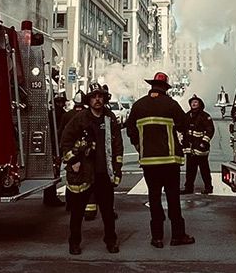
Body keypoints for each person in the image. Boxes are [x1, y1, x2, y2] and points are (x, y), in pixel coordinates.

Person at [124, 71, 195, 248]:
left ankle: (157, 238)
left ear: (152, 86)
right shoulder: (171, 104)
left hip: (149, 162)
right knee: (173, 198)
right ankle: (177, 236)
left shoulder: (138, 105)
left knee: (154, 198)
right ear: (165, 88)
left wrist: (139, 146)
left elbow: (130, 130)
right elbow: (185, 125)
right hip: (170, 161)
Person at [59, 84, 123, 255]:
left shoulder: (109, 118)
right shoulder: (80, 118)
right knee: (77, 211)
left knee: (108, 212)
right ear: (89, 100)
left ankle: (111, 241)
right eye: (94, 97)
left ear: (104, 99)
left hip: (104, 173)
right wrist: (72, 160)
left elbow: (117, 145)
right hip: (84, 174)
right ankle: (74, 242)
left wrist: (117, 169)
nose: (97, 100)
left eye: (100, 97)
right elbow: (65, 140)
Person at [181, 95, 215, 195]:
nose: (194, 104)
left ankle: (209, 188)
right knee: (190, 170)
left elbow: (210, 130)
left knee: (204, 169)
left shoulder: (205, 116)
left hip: (201, 148)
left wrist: (204, 142)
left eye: (196, 102)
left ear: (200, 104)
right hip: (190, 149)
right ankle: (188, 188)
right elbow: (183, 129)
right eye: (192, 102)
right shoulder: (187, 116)